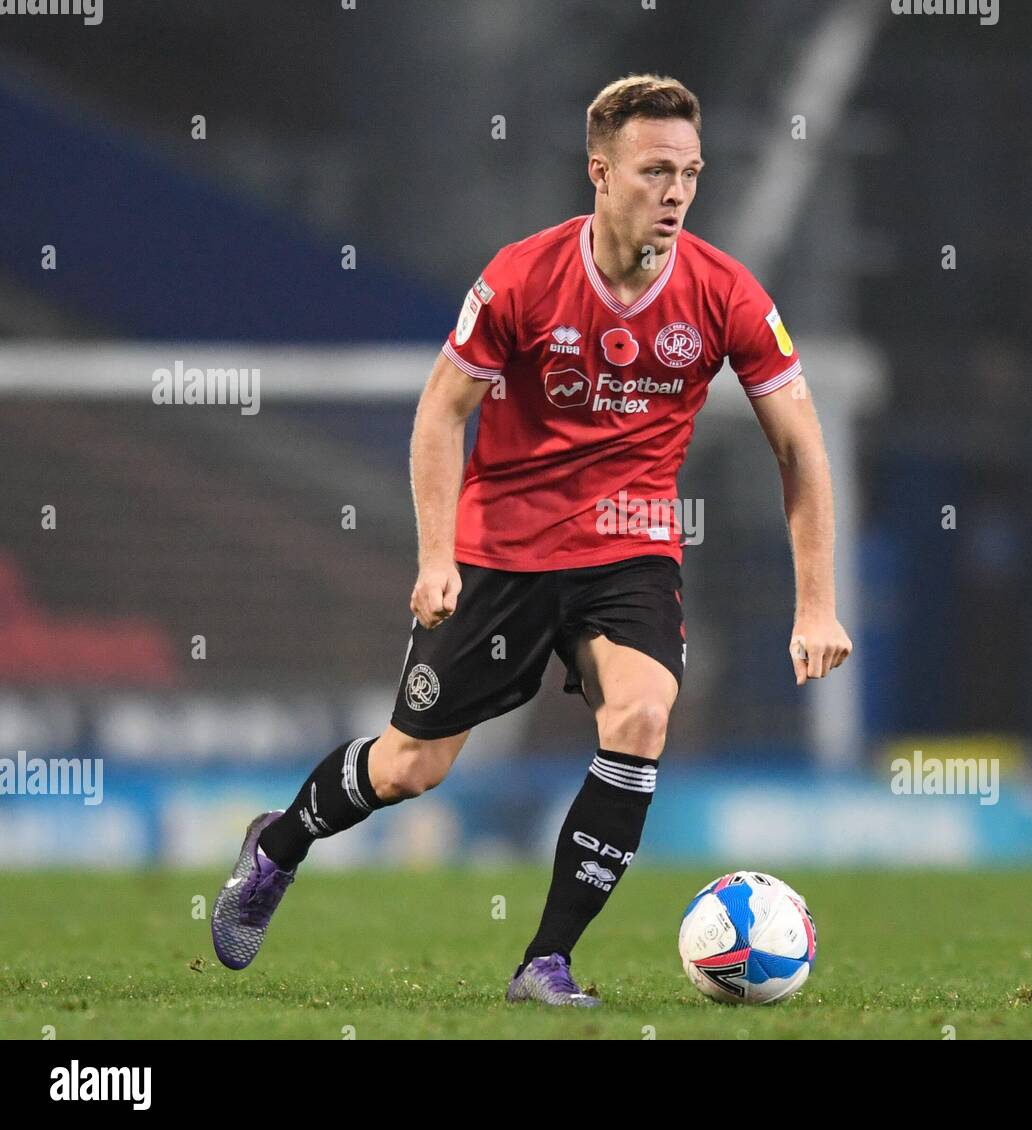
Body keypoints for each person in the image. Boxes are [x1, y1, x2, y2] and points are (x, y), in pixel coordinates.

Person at [212, 73, 852, 1007]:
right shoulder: (521, 277)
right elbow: (441, 413)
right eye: (654, 172)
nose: (675, 193)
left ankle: (544, 963)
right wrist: (437, 558)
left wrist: (817, 602)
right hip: (501, 554)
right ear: (599, 170)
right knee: (411, 765)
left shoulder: (728, 296)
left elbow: (800, 445)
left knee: (639, 716)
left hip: (631, 548)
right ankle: (277, 847)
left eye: (691, 174)